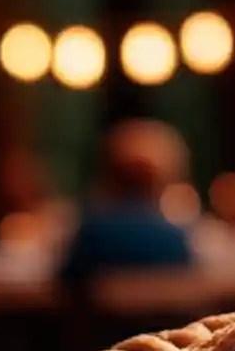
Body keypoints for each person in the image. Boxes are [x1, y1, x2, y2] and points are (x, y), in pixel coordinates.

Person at [58, 119, 192, 284]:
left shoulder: (93, 234)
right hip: (164, 310)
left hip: (100, 311)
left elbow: (65, 283)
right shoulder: (173, 239)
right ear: (155, 186)